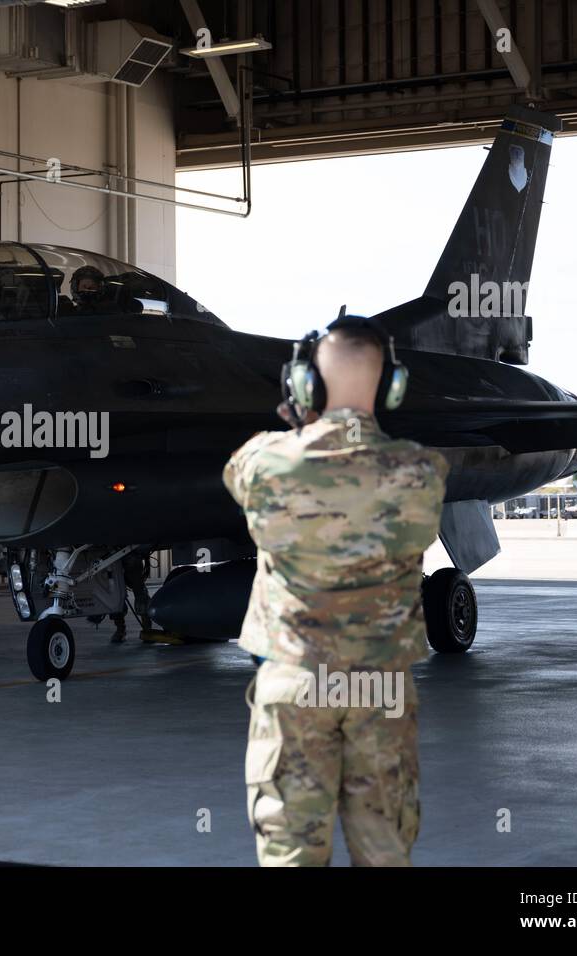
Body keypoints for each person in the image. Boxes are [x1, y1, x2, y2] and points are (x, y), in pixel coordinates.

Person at [223, 314, 448, 867]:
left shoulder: (267, 463)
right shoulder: (422, 471)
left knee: (291, 852)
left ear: (306, 387)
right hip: (381, 688)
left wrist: (302, 425)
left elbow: (243, 471)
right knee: (386, 850)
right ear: (391, 386)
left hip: (297, 683)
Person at [109, 548, 153, 643]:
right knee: (116, 593)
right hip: (116, 554)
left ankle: (146, 628)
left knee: (138, 591)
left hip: (128, 552)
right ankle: (122, 629)